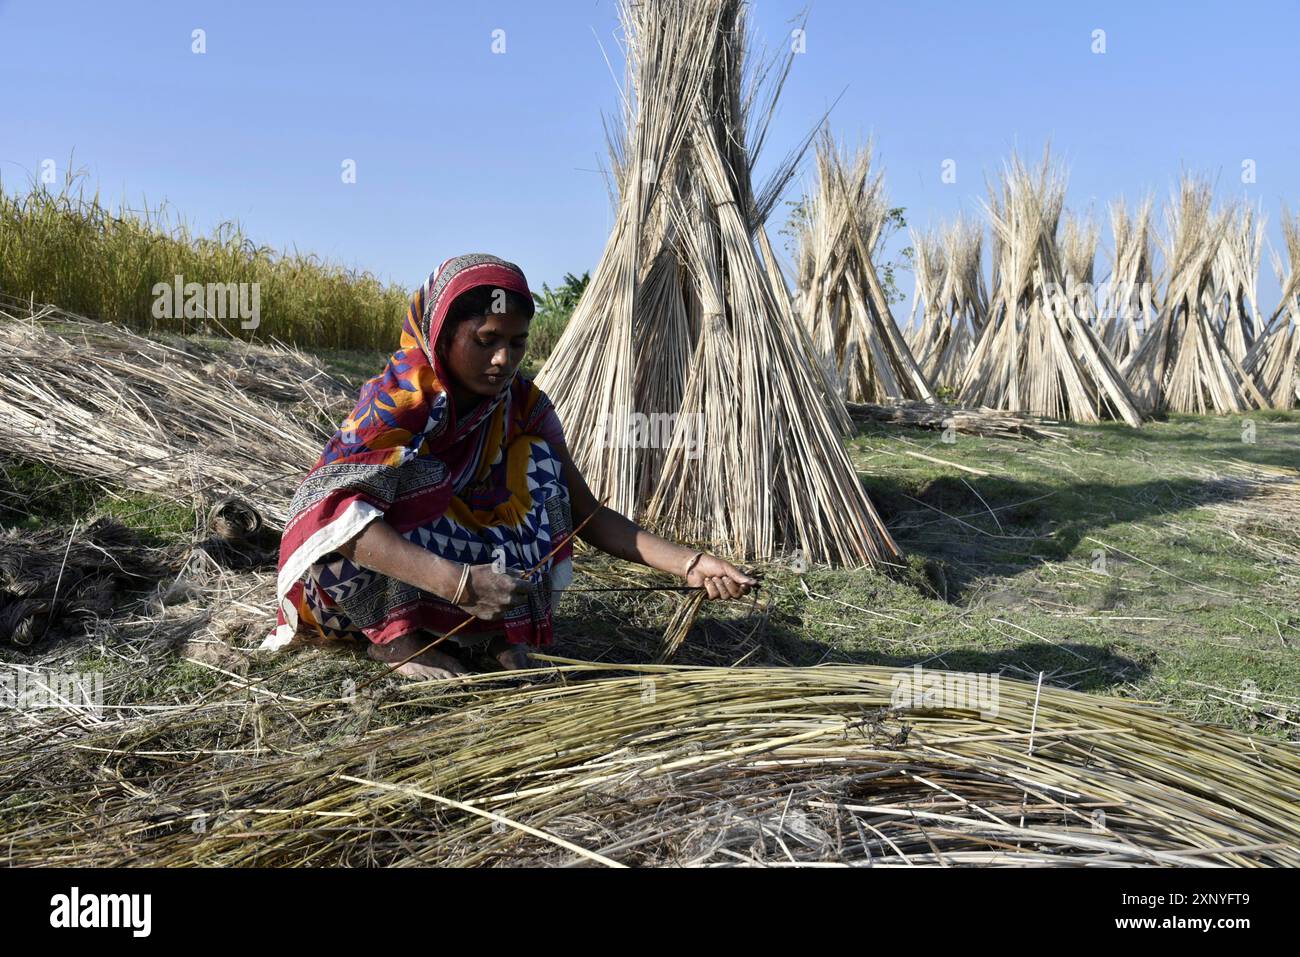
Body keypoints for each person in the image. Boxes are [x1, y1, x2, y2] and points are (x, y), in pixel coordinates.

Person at [266, 253, 756, 679]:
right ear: (441, 333)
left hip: (474, 592)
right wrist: (455, 584)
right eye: (485, 339)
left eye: (517, 342)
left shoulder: (520, 404)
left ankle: (496, 634)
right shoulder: (399, 401)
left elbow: (585, 514)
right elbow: (329, 519)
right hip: (344, 596)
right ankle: (395, 638)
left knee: (540, 467)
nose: (503, 359)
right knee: (398, 483)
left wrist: (691, 564)